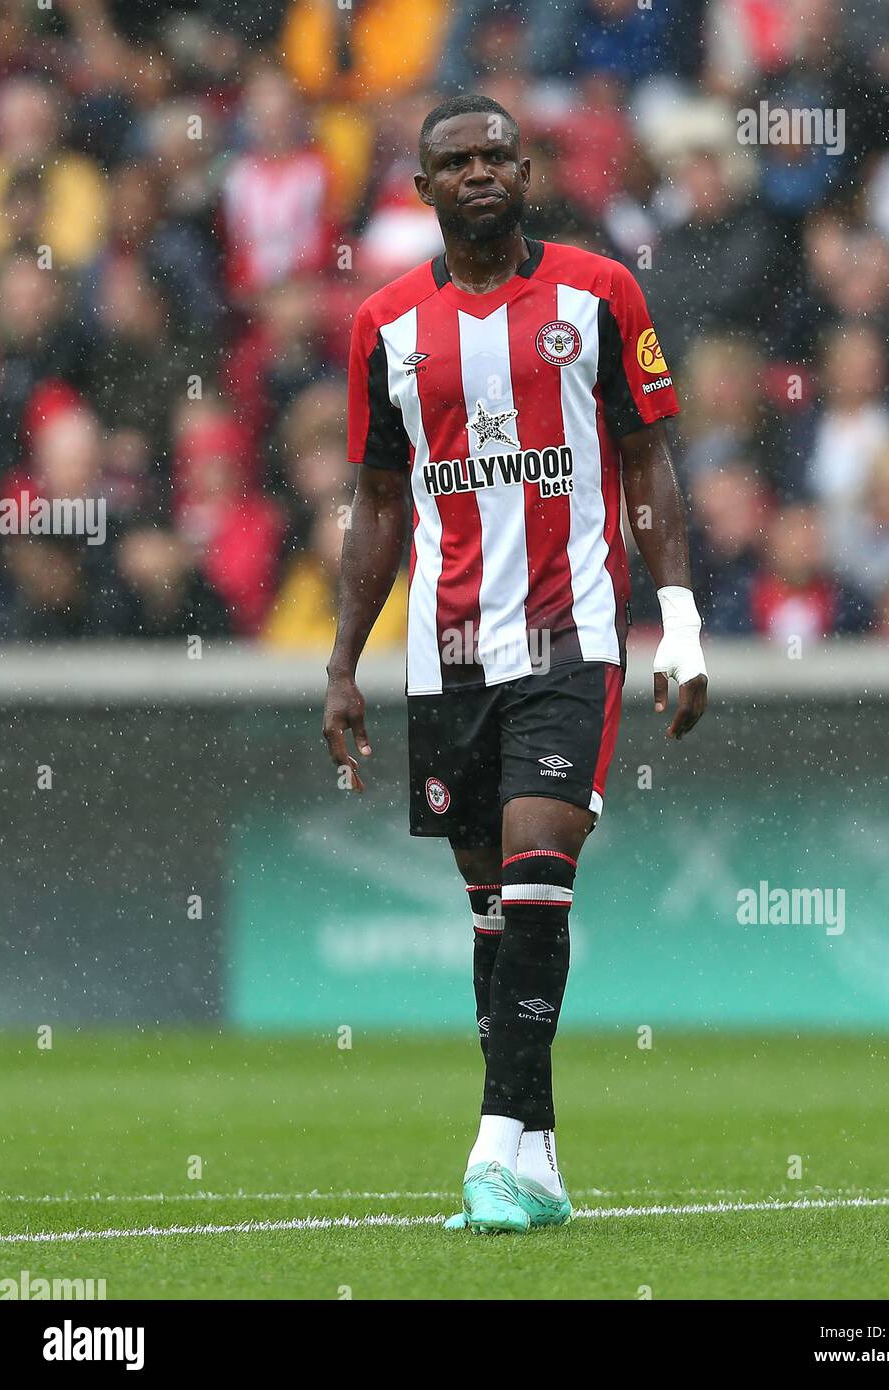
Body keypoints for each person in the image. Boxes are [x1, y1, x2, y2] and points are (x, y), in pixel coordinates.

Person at [322, 94, 708, 1234]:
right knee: (494, 911)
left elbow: (648, 462)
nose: (481, 171)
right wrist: (343, 662)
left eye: (499, 154)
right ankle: (536, 1159)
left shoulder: (599, 295)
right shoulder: (384, 326)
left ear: (527, 171)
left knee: (542, 863)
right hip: (445, 651)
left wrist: (679, 619)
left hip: (569, 634)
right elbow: (378, 503)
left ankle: (491, 1150)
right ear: (422, 190)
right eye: (457, 160)